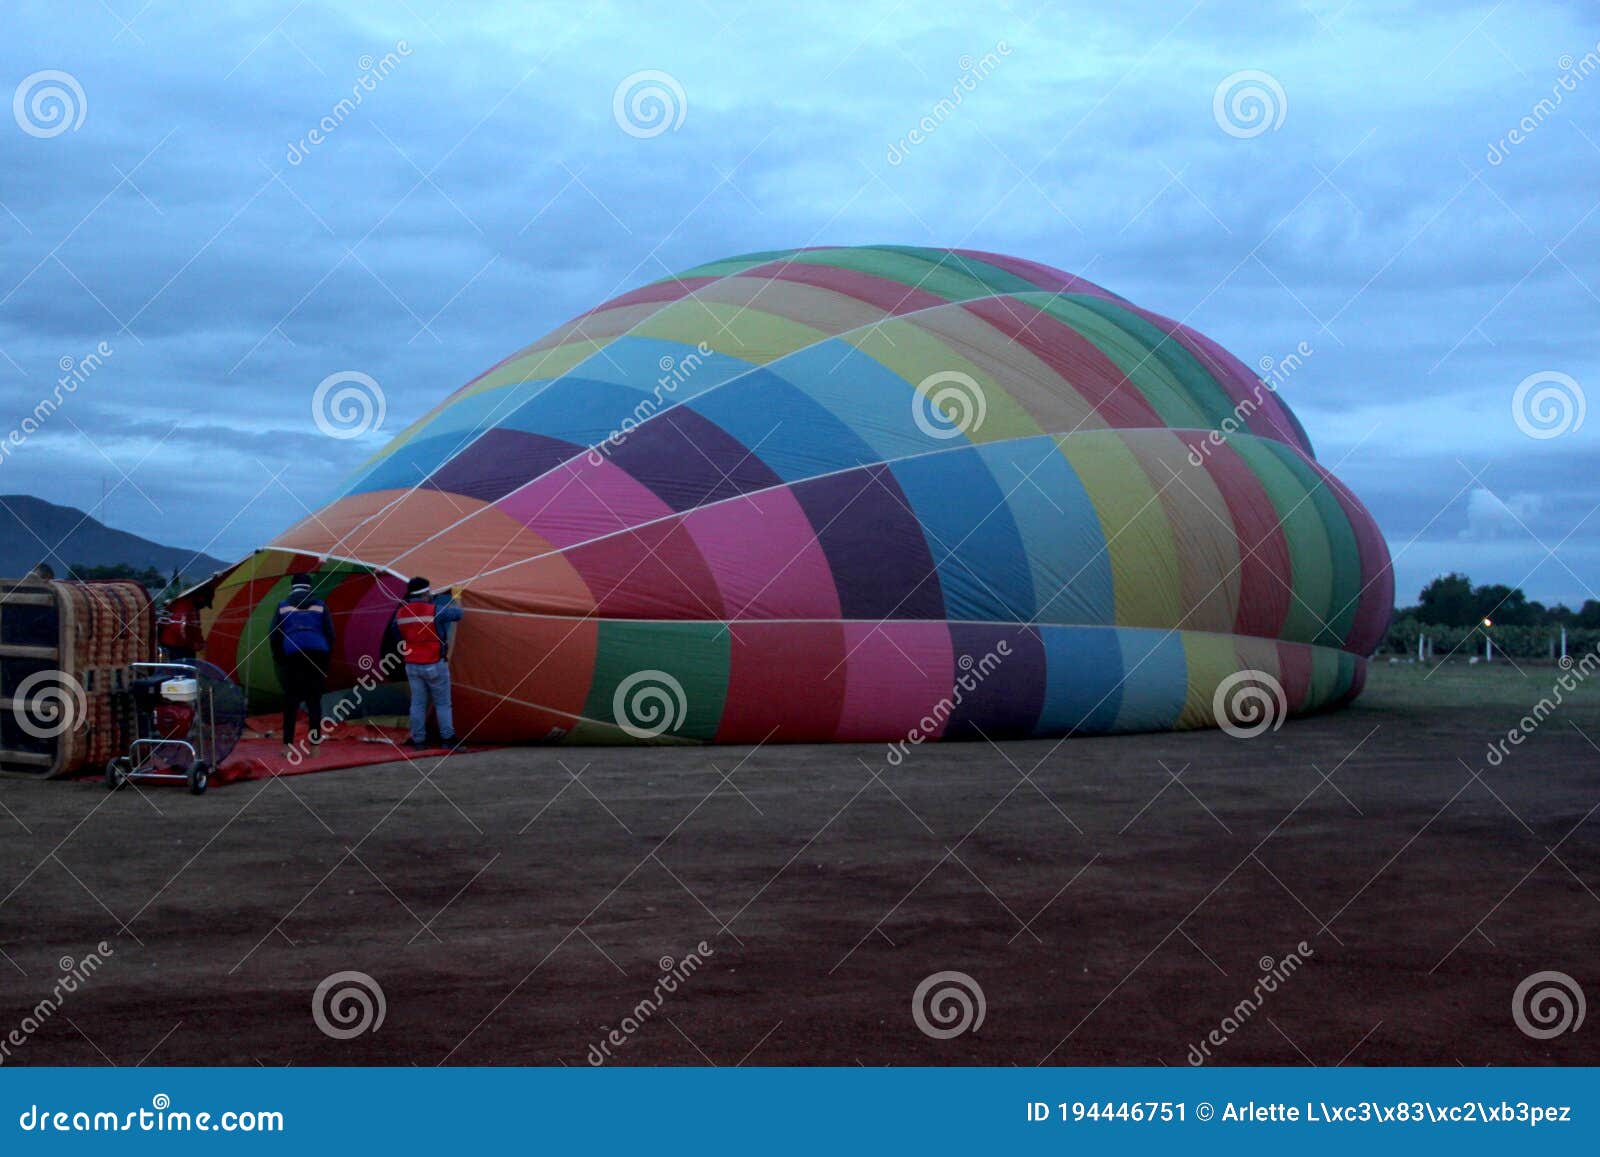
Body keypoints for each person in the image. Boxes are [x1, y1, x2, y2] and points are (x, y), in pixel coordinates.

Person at [384, 576, 464, 750]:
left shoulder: (401, 614)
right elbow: (458, 614)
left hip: (412, 664)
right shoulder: (434, 610)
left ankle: (419, 740)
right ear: (426, 593)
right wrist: (456, 596)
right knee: (442, 703)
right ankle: (448, 739)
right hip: (435, 663)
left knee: (418, 703)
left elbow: (395, 634)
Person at [270, 573, 334, 757]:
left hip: (293, 655)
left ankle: (287, 746)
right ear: (310, 587)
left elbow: (274, 636)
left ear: (292, 587)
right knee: (314, 701)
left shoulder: (282, 607)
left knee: (291, 701)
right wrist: (325, 657)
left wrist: (280, 659)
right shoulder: (321, 606)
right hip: (317, 654)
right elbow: (330, 634)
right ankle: (315, 748)